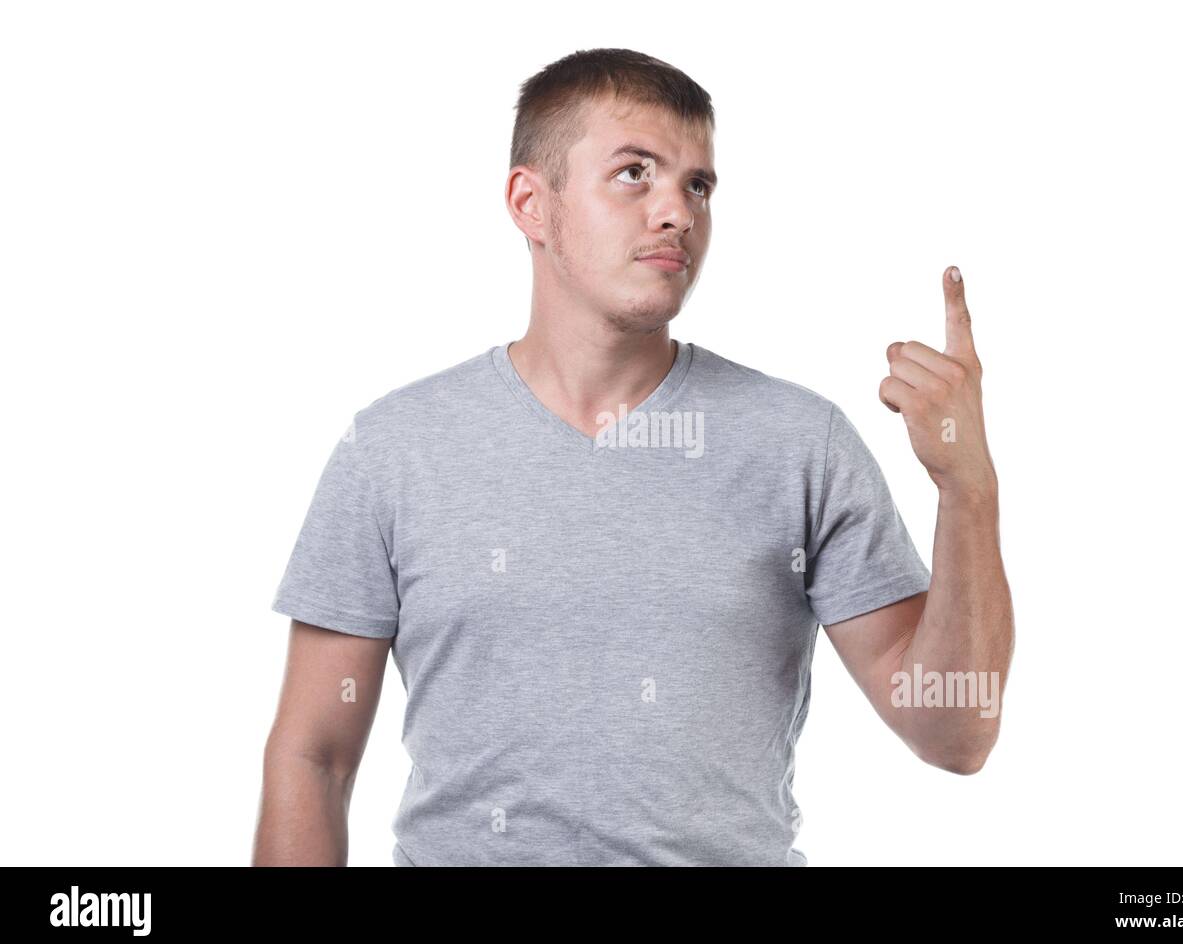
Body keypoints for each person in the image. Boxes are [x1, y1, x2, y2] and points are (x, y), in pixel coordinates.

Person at [252, 48, 1014, 867]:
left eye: (698, 185)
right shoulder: (394, 451)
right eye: (633, 173)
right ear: (530, 203)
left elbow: (954, 735)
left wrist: (967, 490)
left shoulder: (800, 443)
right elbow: (312, 759)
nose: (677, 213)